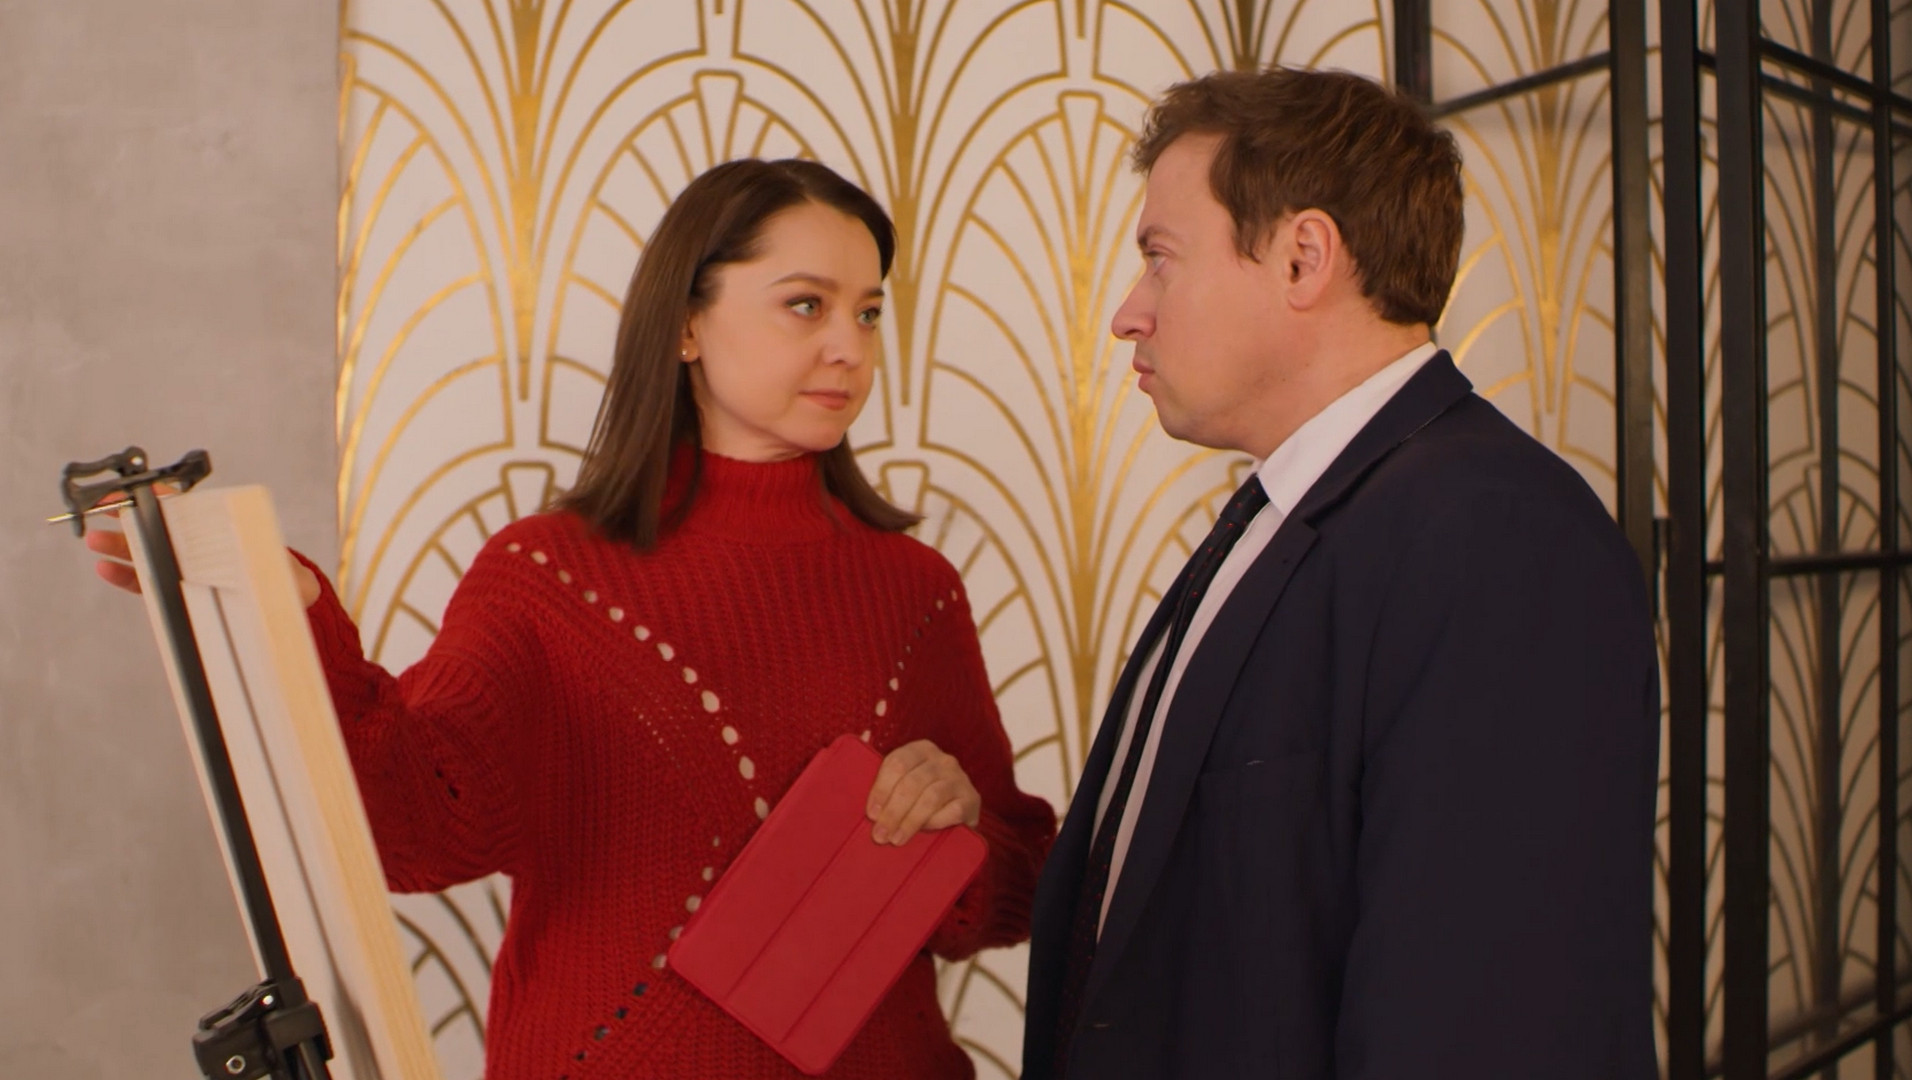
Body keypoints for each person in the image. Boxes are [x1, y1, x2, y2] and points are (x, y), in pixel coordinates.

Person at [88, 158, 1056, 1080]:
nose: (850, 346)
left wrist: (960, 830)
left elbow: (1023, 891)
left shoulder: (915, 590)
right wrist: (286, 608)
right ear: (686, 325)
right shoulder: (550, 578)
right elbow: (414, 829)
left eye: (869, 312)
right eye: (807, 304)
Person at [1020, 67, 1659, 1079]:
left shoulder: (1499, 540)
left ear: (1303, 257)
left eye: (1159, 259)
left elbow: (1487, 1028)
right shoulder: (1294, 512)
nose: (1129, 314)